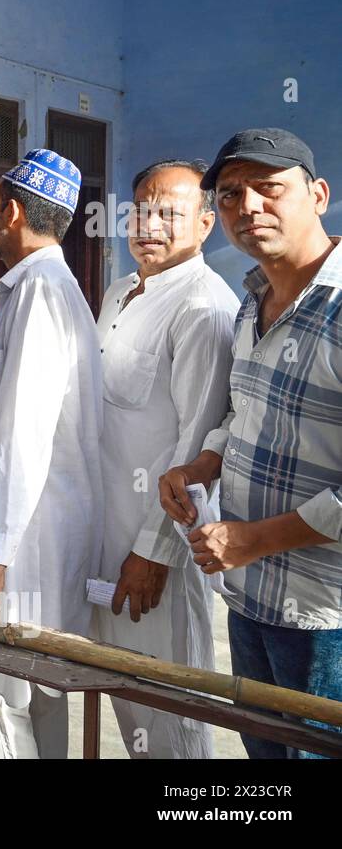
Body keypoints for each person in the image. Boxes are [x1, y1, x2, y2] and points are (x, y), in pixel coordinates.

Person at [159, 128, 341, 758]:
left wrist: (254, 539)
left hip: (326, 617)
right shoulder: (252, 302)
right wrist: (205, 461)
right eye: (232, 194)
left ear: (318, 195)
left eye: (269, 188)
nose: (248, 207)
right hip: (251, 597)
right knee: (265, 762)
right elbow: (244, 411)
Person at [0, 149, 104, 759]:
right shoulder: (49, 289)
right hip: (40, 537)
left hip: (24, 544)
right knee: (40, 692)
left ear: (11, 212)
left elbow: (22, 433)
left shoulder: (39, 293)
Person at [94, 159, 239, 759]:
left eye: (170, 214)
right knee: (123, 696)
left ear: (206, 224)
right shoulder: (120, 291)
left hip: (156, 552)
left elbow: (196, 446)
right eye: (141, 212)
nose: (150, 226)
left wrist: (152, 553)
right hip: (103, 536)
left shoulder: (204, 307)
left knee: (169, 713)